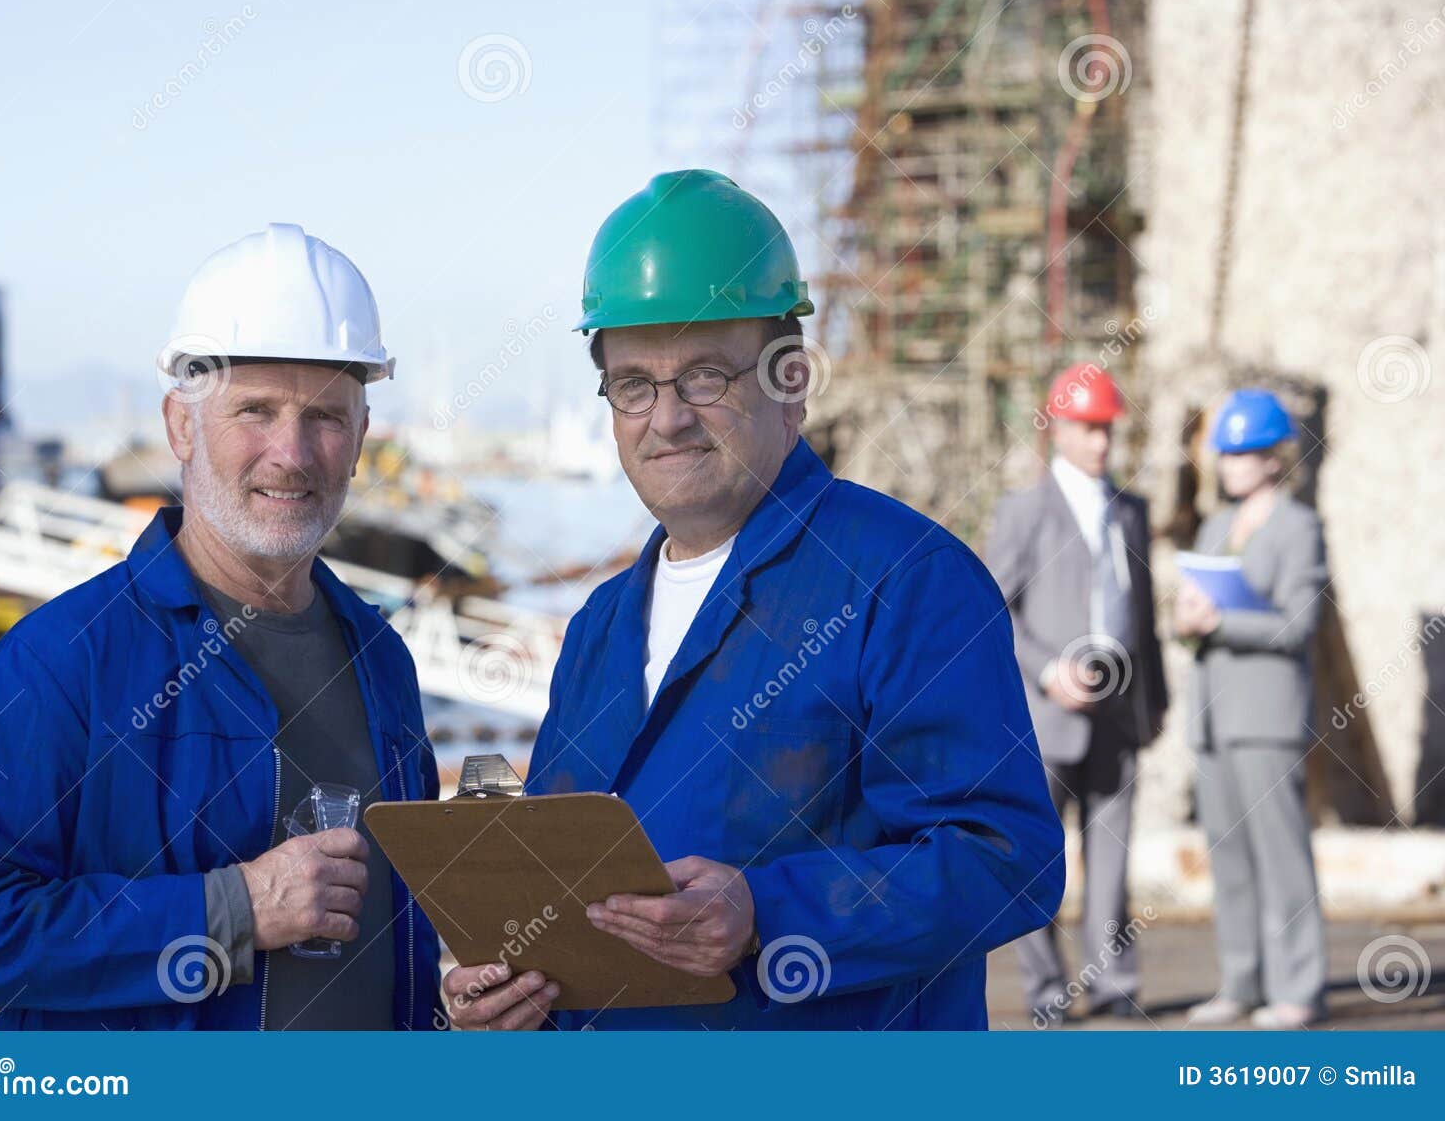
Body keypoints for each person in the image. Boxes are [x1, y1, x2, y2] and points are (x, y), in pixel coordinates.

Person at [442, 169, 1063, 1030]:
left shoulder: (905, 580)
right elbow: (562, 878)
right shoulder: (599, 627)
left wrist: (770, 914)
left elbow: (1007, 861)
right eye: (632, 384)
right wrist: (509, 983)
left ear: (791, 382)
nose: (667, 418)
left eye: (703, 376)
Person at [0, 223, 442, 1030]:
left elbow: (394, 931)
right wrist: (230, 909)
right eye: (254, 410)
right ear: (182, 425)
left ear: (362, 437)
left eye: (326, 415)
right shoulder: (63, 660)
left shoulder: (382, 658)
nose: (292, 453)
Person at [986, 364, 1168, 1025]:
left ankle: (1115, 983)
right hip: (1045, 716)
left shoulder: (1130, 510)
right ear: (1059, 428)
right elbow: (993, 609)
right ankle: (1046, 992)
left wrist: (1157, 698)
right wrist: (1045, 670)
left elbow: (1143, 615)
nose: (1101, 442)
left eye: (1107, 429)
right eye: (1090, 428)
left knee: (1113, 859)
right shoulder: (1023, 511)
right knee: (1037, 858)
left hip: (1120, 713)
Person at [1177, 388, 1328, 1028]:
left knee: (1281, 856)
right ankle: (1241, 981)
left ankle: (1299, 986)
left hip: (1266, 718)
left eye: (1243, 453)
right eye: (1226, 453)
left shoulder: (1299, 526)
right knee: (1230, 857)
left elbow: (1299, 622)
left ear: (1275, 458)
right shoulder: (1213, 527)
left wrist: (1220, 621)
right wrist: (1186, 621)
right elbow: (1196, 617)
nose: (1230, 464)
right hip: (1214, 717)